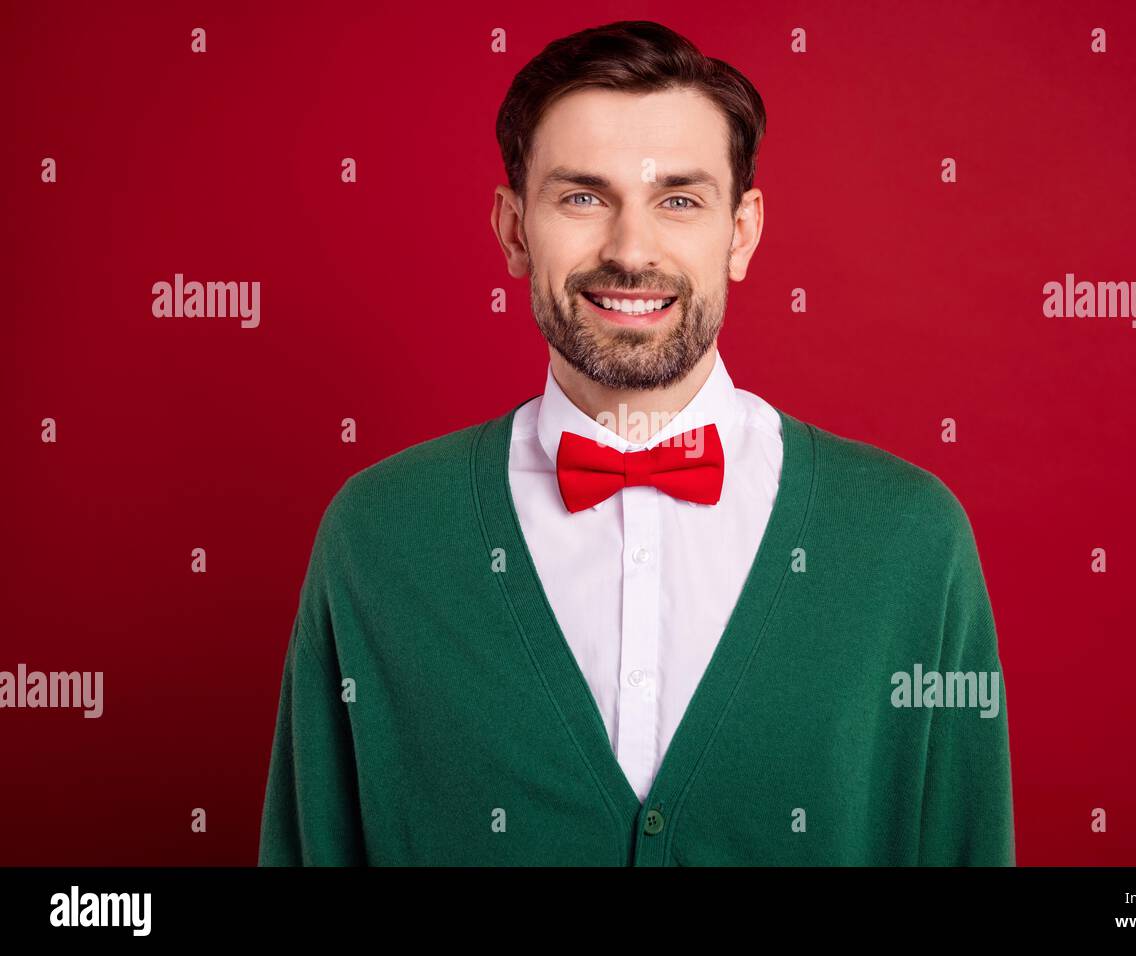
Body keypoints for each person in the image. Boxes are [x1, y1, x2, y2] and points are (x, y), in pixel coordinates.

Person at [258, 19, 1014, 866]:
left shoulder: (908, 539)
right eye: (583, 196)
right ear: (514, 231)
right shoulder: (378, 535)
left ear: (742, 232)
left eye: (679, 200)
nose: (630, 250)